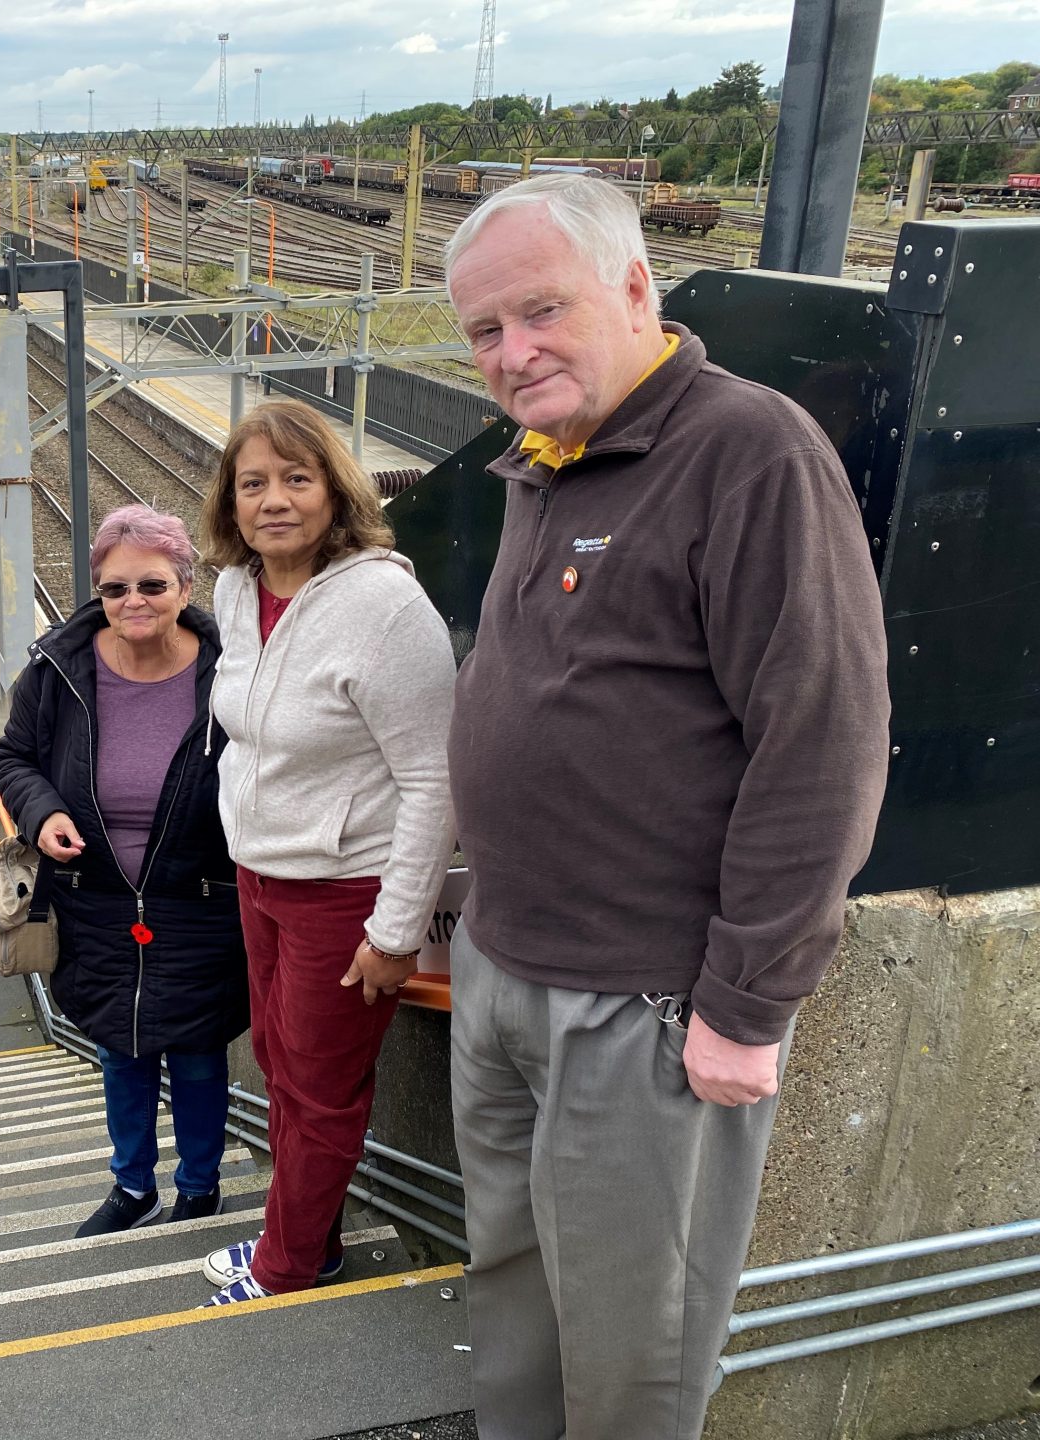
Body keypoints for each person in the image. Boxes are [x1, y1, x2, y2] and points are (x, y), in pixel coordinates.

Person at [441, 173, 890, 1437]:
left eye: (541, 310)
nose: (512, 352)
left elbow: (825, 749)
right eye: (484, 329)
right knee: (515, 1290)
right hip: (507, 971)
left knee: (637, 1341)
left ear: (636, 288)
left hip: (644, 1007)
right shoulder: (551, 456)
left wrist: (746, 1008)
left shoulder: (752, 453)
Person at [195, 399, 456, 1306]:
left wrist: (394, 934)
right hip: (260, 877)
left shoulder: (385, 607)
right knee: (277, 1061)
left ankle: (288, 1265)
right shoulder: (234, 590)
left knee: (320, 1089)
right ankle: (308, 1238)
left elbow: (434, 780)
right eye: (253, 482)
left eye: (296, 479)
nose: (274, 500)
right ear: (230, 502)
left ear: (334, 491)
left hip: (346, 891)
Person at [0, 505, 247, 1238]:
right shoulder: (59, 670)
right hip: (96, 899)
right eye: (114, 589)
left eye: (153, 586)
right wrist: (41, 814)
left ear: (186, 585)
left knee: (198, 1053)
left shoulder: (230, 665)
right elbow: (14, 759)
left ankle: (199, 1187)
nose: (133, 602)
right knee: (118, 1046)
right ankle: (133, 1187)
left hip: (198, 899)